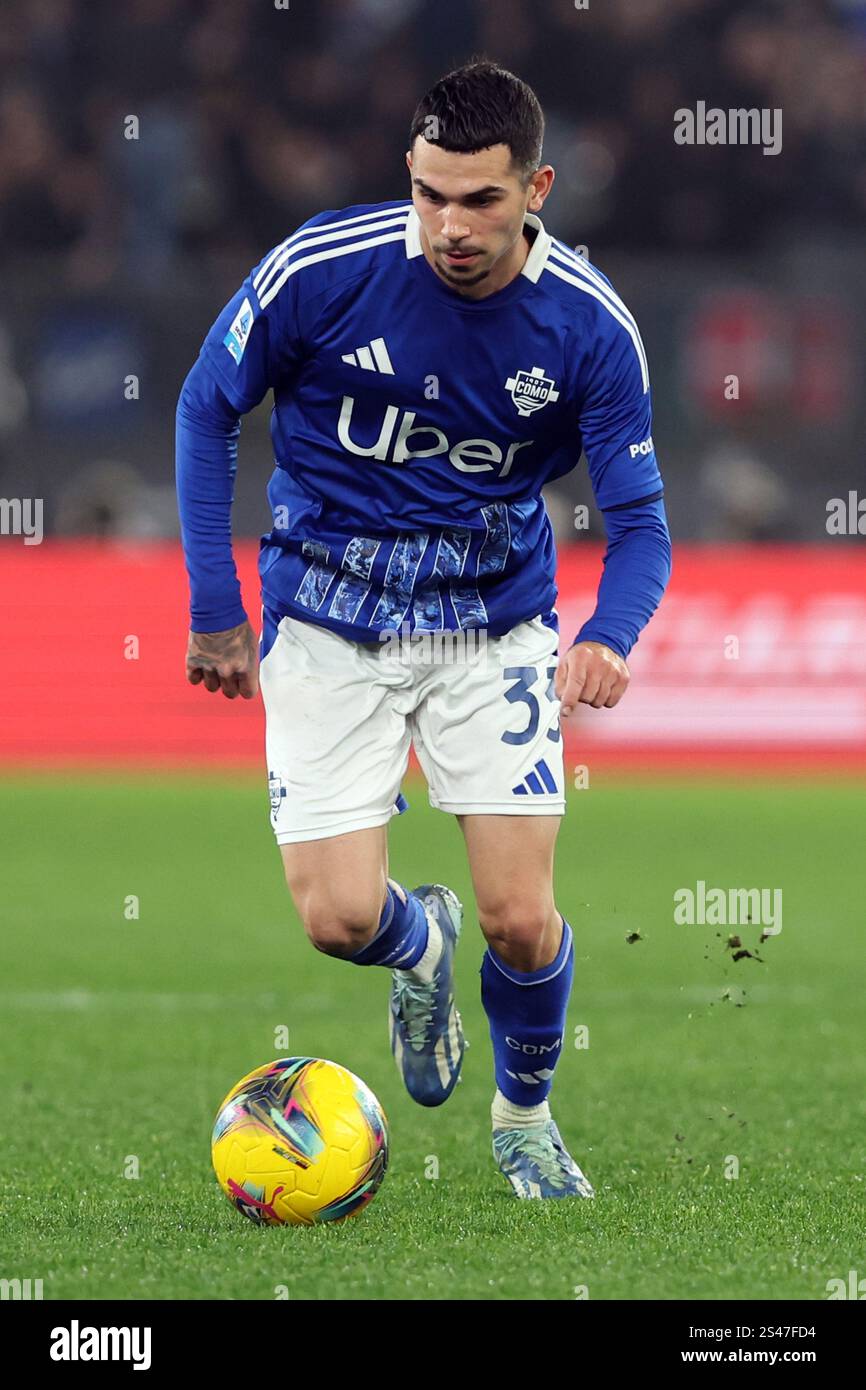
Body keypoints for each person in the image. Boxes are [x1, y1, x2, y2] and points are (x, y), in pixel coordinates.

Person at [176, 60, 671, 1200]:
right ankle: (416, 946)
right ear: (408, 176)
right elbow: (208, 404)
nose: (451, 225)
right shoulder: (323, 268)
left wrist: (610, 631)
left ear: (535, 188)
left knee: (519, 917)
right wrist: (214, 608)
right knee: (338, 918)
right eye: (430, 194)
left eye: (481, 201)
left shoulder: (589, 330)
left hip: (489, 625)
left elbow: (639, 519)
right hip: (323, 613)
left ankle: (525, 1116)